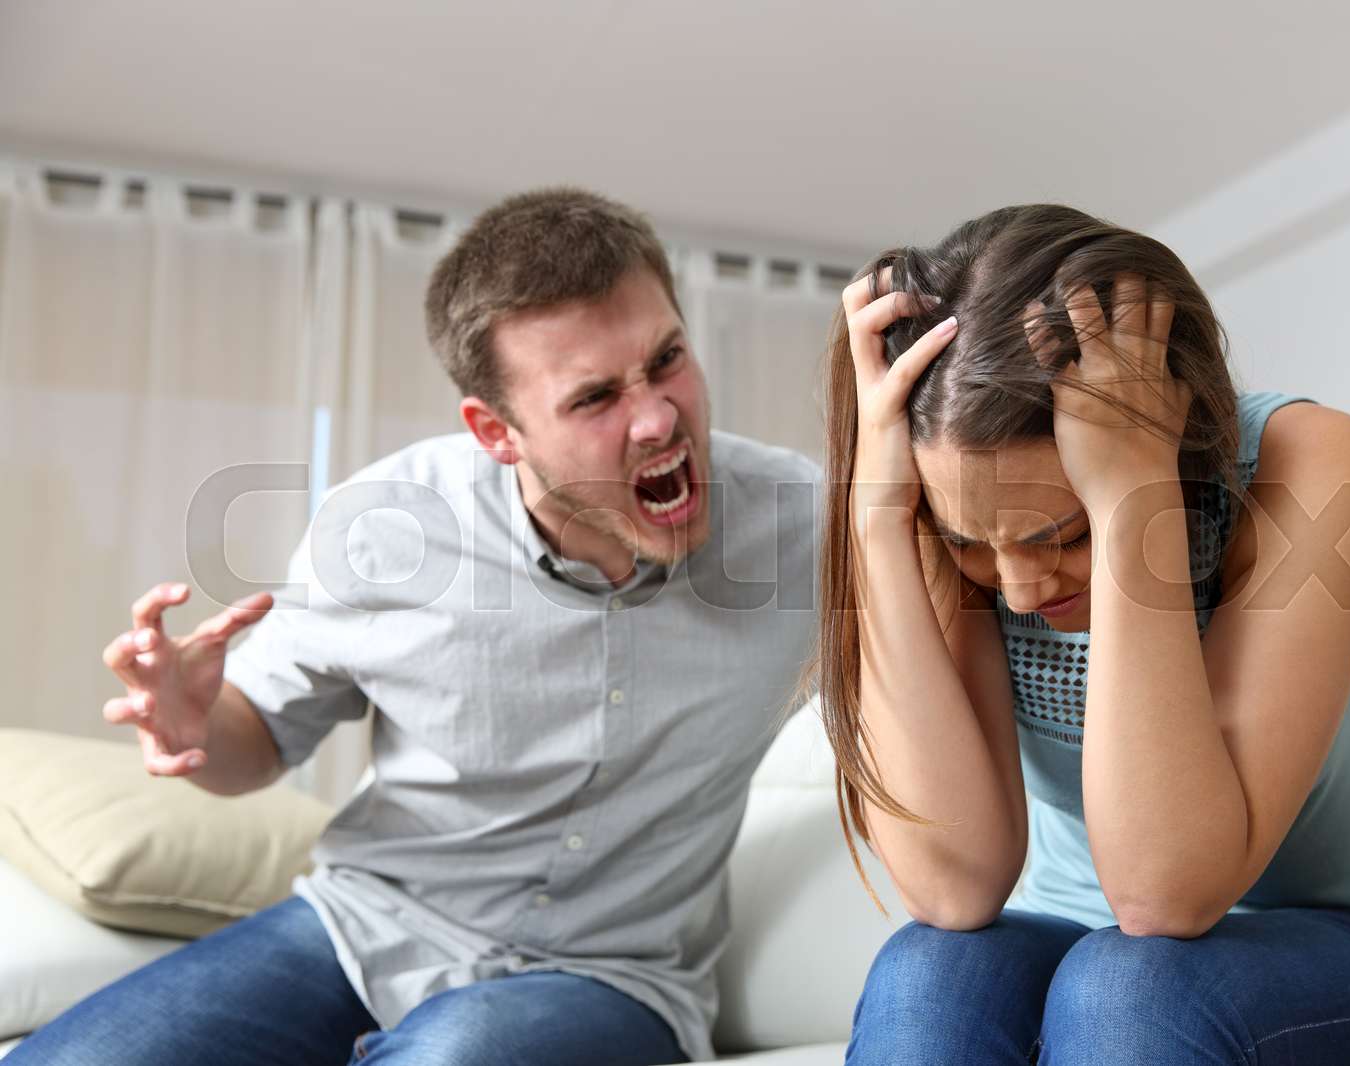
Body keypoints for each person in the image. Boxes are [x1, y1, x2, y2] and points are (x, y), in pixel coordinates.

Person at [14, 188, 821, 1066]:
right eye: (594, 399)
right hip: (364, 928)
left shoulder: (804, 527)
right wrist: (197, 724)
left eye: (667, 360)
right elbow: (260, 743)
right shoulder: (389, 527)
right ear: (495, 431)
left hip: (613, 979)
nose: (659, 417)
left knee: (452, 1058)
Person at [812, 203, 1350, 1065]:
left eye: (1059, 534)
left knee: (1129, 985)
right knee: (929, 970)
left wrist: (1132, 498)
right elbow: (957, 889)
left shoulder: (1319, 462)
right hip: (1092, 943)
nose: (1020, 588)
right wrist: (879, 518)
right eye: (968, 542)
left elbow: (1166, 898)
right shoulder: (943, 511)